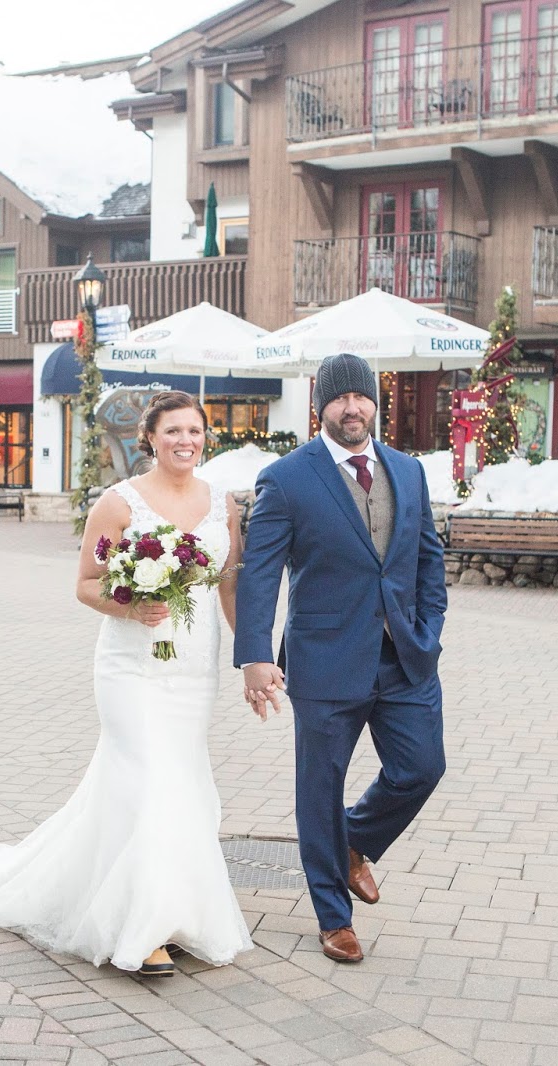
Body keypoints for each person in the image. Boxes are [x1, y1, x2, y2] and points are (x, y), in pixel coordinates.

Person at [0, 391, 253, 978]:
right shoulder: (118, 503)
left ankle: (176, 910)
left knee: (182, 782)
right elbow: (86, 583)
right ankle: (143, 926)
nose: (186, 441)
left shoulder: (221, 504)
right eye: (173, 431)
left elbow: (228, 584)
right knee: (148, 780)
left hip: (191, 668)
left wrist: (251, 655)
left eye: (195, 431)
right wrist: (134, 607)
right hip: (131, 668)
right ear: (149, 438)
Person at [234, 352, 447, 966]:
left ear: (375, 404)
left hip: (405, 656)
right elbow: (261, 573)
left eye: (362, 398)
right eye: (340, 398)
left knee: (421, 767)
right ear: (319, 406)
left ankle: (352, 843)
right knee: (320, 787)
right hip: (325, 658)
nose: (352, 408)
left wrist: (430, 625)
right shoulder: (288, 478)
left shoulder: (407, 471)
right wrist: (253, 653)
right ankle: (334, 916)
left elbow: (427, 556)